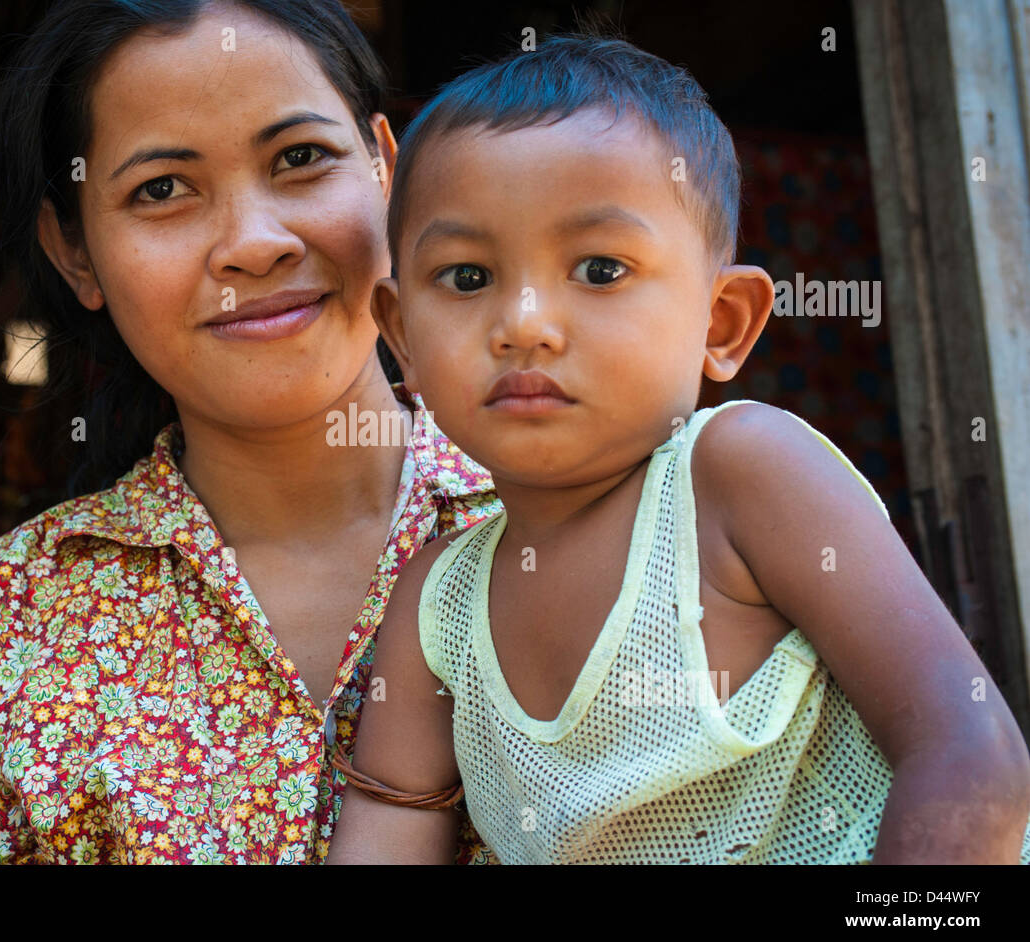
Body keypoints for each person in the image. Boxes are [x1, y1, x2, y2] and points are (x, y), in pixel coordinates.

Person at [327, 31, 1030, 864]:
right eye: (468, 278)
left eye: (598, 270)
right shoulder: (435, 609)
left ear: (721, 323)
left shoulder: (737, 478)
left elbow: (971, 752)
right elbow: (389, 834)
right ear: (402, 338)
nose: (523, 324)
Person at [0, 0, 502, 864]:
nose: (253, 244)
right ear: (76, 253)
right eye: (161, 189)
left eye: (300, 158)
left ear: (385, 169)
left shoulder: (631, 525)